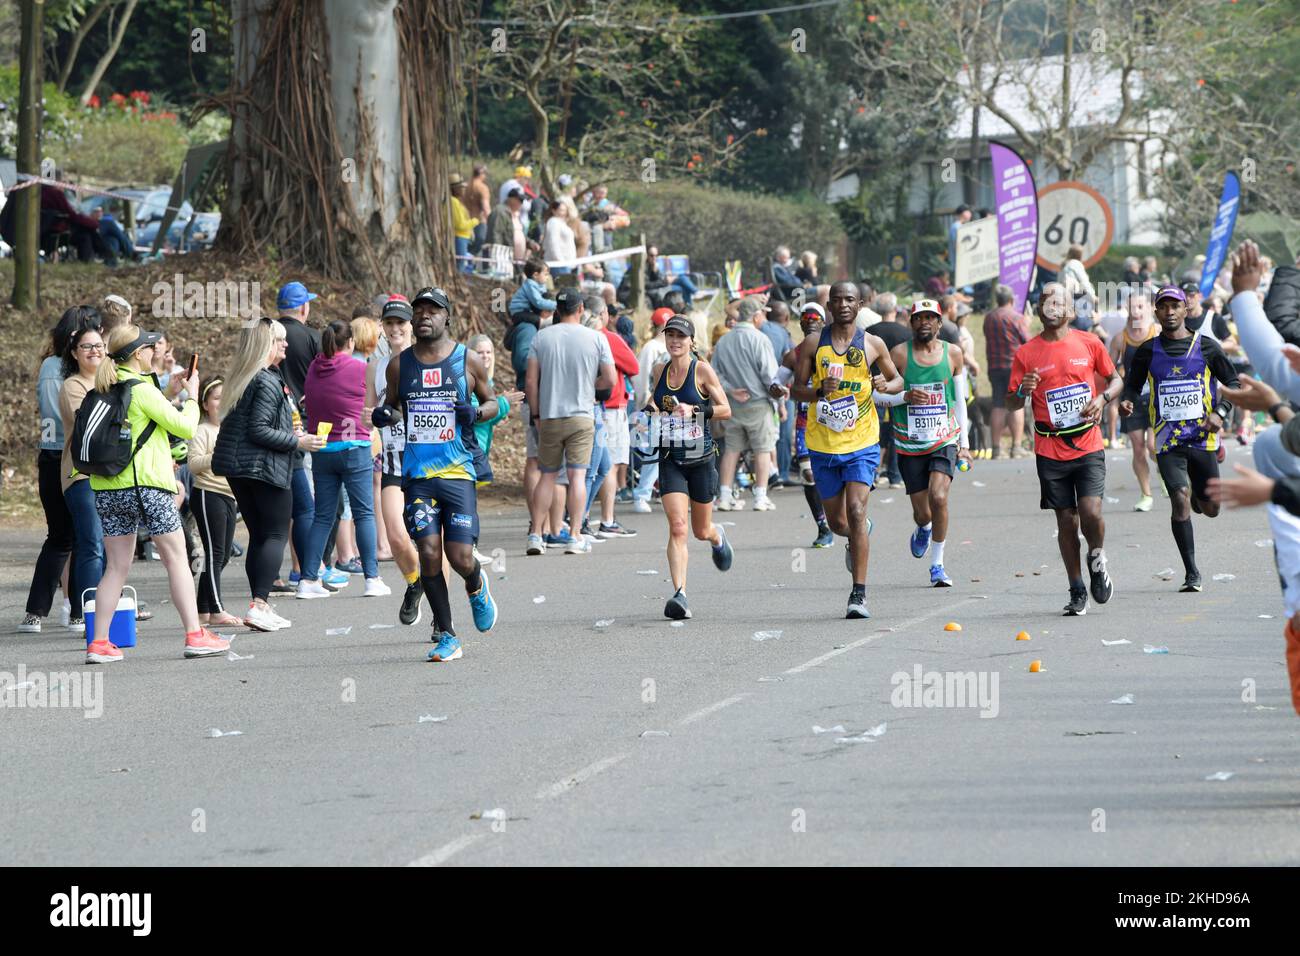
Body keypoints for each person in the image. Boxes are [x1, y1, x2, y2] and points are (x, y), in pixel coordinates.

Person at [85, 325, 229, 662]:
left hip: (108, 488)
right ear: (138, 354)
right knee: (177, 558)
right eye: (151, 348)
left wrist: (169, 391)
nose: (157, 353)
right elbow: (184, 427)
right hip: (148, 486)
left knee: (116, 568)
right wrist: (192, 396)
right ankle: (195, 634)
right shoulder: (141, 389)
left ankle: (99, 643)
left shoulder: (107, 385)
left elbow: (142, 417)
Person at [375, 286, 503, 661]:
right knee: (429, 552)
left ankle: (476, 584)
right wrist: (385, 414)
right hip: (418, 476)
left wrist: (476, 413)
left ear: (448, 318)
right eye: (419, 311)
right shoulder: (400, 365)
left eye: (433, 310)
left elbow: (493, 402)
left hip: (459, 472)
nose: (424, 316)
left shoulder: (467, 360)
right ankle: (447, 634)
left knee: (460, 556)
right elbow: (390, 407)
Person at [1006, 283, 1121, 616]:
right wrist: (1022, 392)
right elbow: (1010, 401)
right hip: (1049, 447)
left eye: (1059, 302)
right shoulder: (1026, 353)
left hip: (1087, 443)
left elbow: (1116, 380)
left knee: (1091, 512)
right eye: (1045, 301)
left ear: (1070, 311)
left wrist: (1102, 398)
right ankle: (1076, 588)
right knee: (1066, 521)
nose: (1051, 306)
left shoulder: (1089, 343)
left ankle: (1096, 556)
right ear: (1038, 310)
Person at [791, 281, 904, 619]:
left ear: (860, 304)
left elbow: (897, 380)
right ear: (829, 305)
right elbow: (796, 391)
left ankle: (858, 595)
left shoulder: (873, 343)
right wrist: (817, 392)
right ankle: (856, 535)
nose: (842, 305)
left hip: (862, 442)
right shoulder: (813, 343)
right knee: (841, 522)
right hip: (823, 444)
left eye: (849, 300)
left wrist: (887, 384)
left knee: (856, 510)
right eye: (837, 300)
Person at [1119, 285, 1240, 593]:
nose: (1169, 312)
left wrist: (1221, 413)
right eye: (1164, 307)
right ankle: (1192, 572)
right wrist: (1128, 400)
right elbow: (1132, 386)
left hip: (1203, 440)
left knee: (1210, 509)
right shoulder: (1148, 350)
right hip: (1168, 441)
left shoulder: (1208, 347)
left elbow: (1234, 383)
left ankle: (1202, 499)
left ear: (1186, 310)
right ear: (1156, 312)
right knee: (1179, 499)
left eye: (1175, 306)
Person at [215, 320, 324, 631]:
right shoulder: (266, 381)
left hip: (238, 469)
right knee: (274, 535)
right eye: (279, 340)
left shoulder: (244, 377)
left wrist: (290, 431)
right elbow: (259, 430)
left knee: (260, 537)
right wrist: (298, 441)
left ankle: (259, 603)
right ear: (265, 345)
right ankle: (260, 605)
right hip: (262, 467)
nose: (286, 346)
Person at [876, 299, 971, 587]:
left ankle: (938, 564)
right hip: (909, 444)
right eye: (919, 318)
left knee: (939, 497)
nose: (924, 322)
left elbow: (960, 402)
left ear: (940, 324)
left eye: (931, 317)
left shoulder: (953, 354)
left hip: (944, 439)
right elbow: (877, 396)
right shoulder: (899, 355)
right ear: (911, 323)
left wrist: (964, 443)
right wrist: (904, 396)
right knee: (922, 511)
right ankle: (923, 527)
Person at [644, 315, 734, 619]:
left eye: (680, 336)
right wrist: (648, 411)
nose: (674, 341)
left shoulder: (702, 370)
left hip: (701, 459)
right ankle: (680, 594)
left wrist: (696, 409)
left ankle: (716, 536)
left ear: (691, 341)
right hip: (670, 458)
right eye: (670, 335)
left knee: (699, 529)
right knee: (678, 527)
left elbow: (725, 409)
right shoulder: (659, 369)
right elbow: (655, 400)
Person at [20, 307, 100, 633]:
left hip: (55, 456)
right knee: (72, 536)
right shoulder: (59, 370)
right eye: (89, 336)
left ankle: (42, 613)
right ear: (74, 339)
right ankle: (73, 612)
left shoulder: (56, 366)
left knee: (65, 537)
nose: (94, 345)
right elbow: (64, 417)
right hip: (66, 457)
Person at [296, 319, 388, 599]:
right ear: (350, 343)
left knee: (322, 516)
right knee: (364, 513)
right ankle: (372, 578)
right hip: (355, 447)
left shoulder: (314, 367)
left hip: (323, 449)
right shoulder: (360, 368)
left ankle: (308, 579)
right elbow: (377, 402)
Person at [524, 289, 615, 555]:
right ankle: (574, 536)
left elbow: (531, 381)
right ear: (581, 309)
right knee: (577, 476)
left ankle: (535, 534)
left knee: (548, 476)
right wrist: (589, 387)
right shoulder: (596, 338)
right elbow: (609, 379)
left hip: (550, 415)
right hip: (582, 416)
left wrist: (538, 414)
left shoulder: (541, 338)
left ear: (557, 310)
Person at [367, 296, 425, 625]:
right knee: (395, 534)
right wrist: (374, 417)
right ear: (383, 327)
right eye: (390, 323)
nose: (395, 329)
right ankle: (416, 583)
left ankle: (440, 617)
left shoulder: (426, 362)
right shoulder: (375, 367)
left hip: (426, 460)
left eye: (401, 323)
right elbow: (366, 413)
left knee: (431, 541)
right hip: (391, 460)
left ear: (412, 326)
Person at [57, 320, 107, 630]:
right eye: (87, 346)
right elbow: (90, 424)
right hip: (81, 475)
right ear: (75, 353)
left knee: (111, 548)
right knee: (91, 542)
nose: (94, 351)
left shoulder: (111, 382)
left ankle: (105, 610)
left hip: (112, 475)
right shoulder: (73, 386)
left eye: (99, 346)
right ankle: (84, 613)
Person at [187, 376, 244, 628]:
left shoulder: (232, 429)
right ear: (205, 403)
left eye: (225, 398)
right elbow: (193, 464)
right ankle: (218, 610)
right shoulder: (202, 431)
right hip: (207, 493)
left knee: (222, 557)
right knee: (215, 553)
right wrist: (216, 454)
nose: (222, 403)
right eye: (217, 398)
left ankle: (203, 611)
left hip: (229, 496)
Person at [713, 297, 779, 512]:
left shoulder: (723, 341)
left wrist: (730, 389)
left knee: (731, 450)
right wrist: (779, 398)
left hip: (732, 403)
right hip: (758, 402)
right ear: (756, 315)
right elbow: (769, 376)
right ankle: (760, 496)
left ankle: (724, 495)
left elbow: (714, 375)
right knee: (762, 449)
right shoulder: (760, 339)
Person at [783, 302, 834, 547]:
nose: (811, 320)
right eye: (806, 317)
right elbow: (777, 380)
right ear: (800, 323)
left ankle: (847, 518)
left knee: (835, 475)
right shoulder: (793, 354)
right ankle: (823, 526)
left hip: (834, 423)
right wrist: (775, 389)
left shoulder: (836, 348)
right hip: (805, 423)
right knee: (808, 474)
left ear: (823, 322)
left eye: (816, 317)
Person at [589, 295, 639, 536]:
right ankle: (607, 519)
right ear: (603, 315)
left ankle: (582, 518)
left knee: (588, 466)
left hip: (586, 407)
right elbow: (633, 366)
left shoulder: (577, 336)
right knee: (609, 464)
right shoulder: (609, 338)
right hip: (610, 407)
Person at [1108, 292, 1159, 511]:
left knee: (1152, 446)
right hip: (1132, 399)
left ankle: (1166, 473)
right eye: (1132, 307)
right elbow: (1108, 368)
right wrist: (1117, 380)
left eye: (1140, 306)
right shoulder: (1120, 338)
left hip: (1156, 398)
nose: (1136, 311)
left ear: (1150, 308)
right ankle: (1146, 494)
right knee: (1138, 448)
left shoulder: (1157, 332)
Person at [630, 307, 673, 514]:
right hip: (655, 407)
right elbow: (642, 380)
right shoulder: (651, 348)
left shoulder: (674, 349)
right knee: (654, 454)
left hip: (675, 411)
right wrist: (643, 408)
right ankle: (642, 493)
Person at [983, 285, 1030, 459]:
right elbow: (1027, 341)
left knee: (998, 405)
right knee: (1015, 405)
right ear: (1011, 300)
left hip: (994, 366)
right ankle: (1016, 447)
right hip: (1013, 366)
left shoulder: (989, 318)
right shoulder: (1016, 318)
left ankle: (996, 449)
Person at [449, 173, 479, 274]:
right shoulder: (453, 202)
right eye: (461, 187)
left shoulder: (456, 201)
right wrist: (475, 221)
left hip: (463, 238)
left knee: (462, 264)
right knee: (460, 265)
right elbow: (460, 225)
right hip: (459, 237)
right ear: (455, 188)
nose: (463, 190)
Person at [542, 199, 577, 275]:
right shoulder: (553, 222)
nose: (563, 213)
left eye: (565, 210)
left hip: (567, 264)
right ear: (554, 211)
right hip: (558, 265)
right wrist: (560, 261)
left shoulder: (562, 223)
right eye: (561, 210)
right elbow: (553, 243)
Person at [467, 164, 492, 254]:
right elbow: (486, 206)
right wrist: (491, 220)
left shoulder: (467, 186)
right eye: (485, 174)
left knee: (468, 245)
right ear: (481, 174)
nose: (485, 176)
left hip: (466, 220)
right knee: (480, 244)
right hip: (479, 221)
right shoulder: (482, 188)